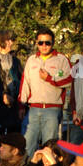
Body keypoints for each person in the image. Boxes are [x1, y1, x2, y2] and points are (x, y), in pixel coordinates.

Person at [19, 27, 72, 155]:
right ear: (36, 43)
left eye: (47, 43)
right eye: (40, 42)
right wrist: (21, 105)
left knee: (49, 148)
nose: (44, 46)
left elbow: (69, 79)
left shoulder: (61, 59)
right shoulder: (31, 60)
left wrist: (50, 78)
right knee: (27, 145)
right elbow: (25, 84)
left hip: (52, 110)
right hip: (33, 110)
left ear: (52, 43)